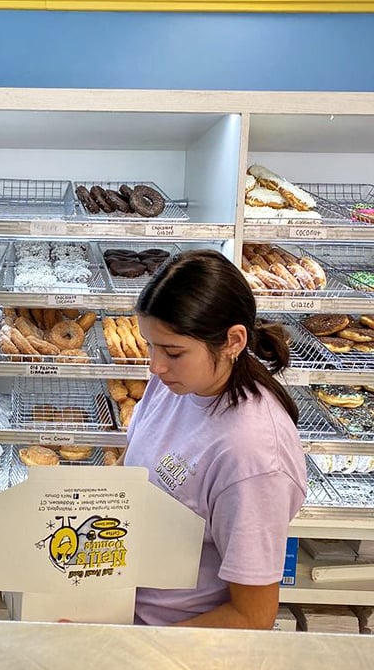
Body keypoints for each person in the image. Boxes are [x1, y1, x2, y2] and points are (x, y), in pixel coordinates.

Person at [117, 248, 307, 629]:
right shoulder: (176, 383)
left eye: (172, 351)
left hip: (176, 648)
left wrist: (130, 649)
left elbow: (252, 616)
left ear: (233, 341)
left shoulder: (251, 456)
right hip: (120, 605)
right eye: (151, 344)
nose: (154, 365)